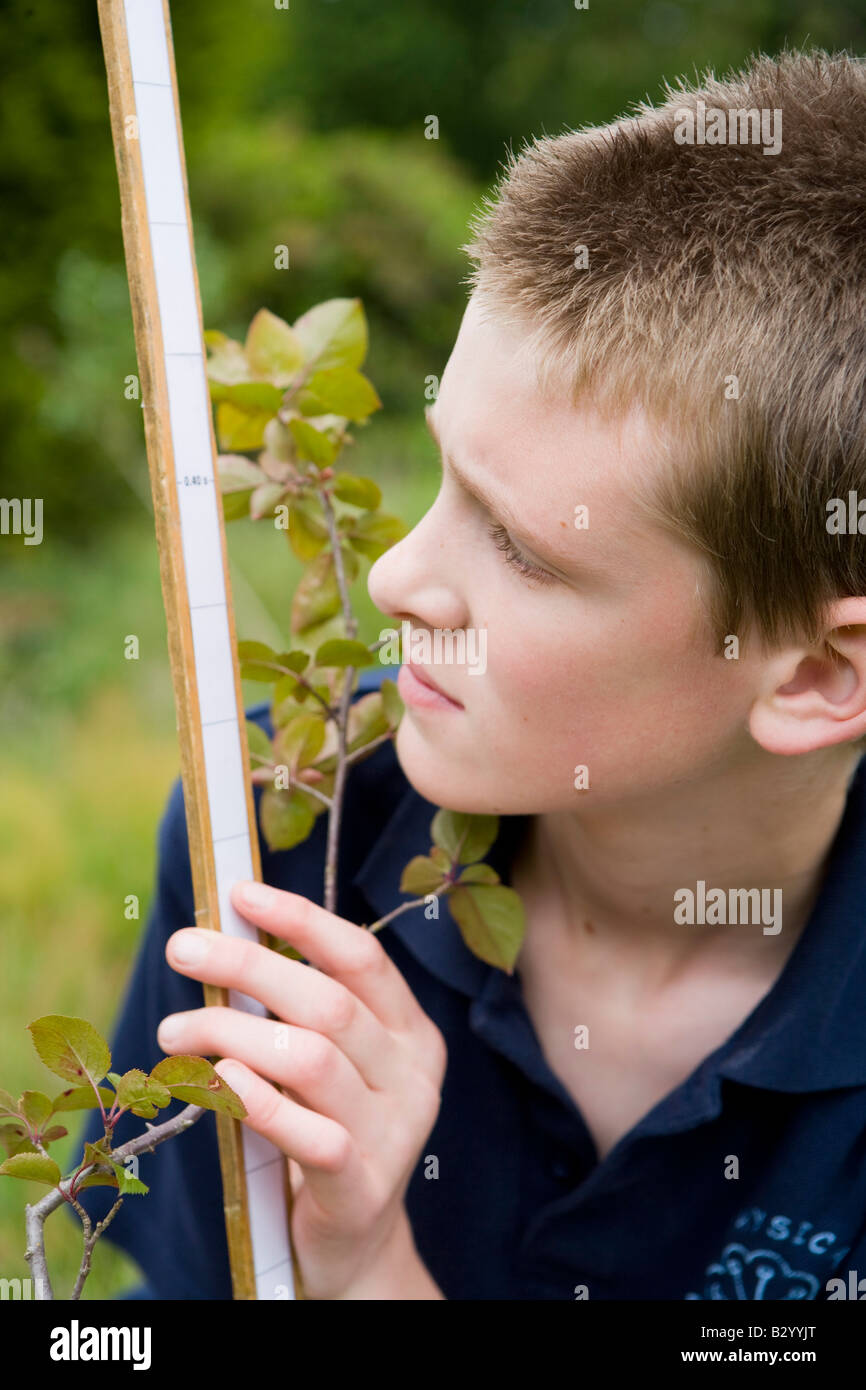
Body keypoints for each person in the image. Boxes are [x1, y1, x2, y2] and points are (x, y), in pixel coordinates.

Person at [75, 48, 866, 1300]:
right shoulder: (277, 831)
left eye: (522, 550)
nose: (394, 577)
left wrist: (372, 1269)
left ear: (817, 673)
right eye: (443, 471)